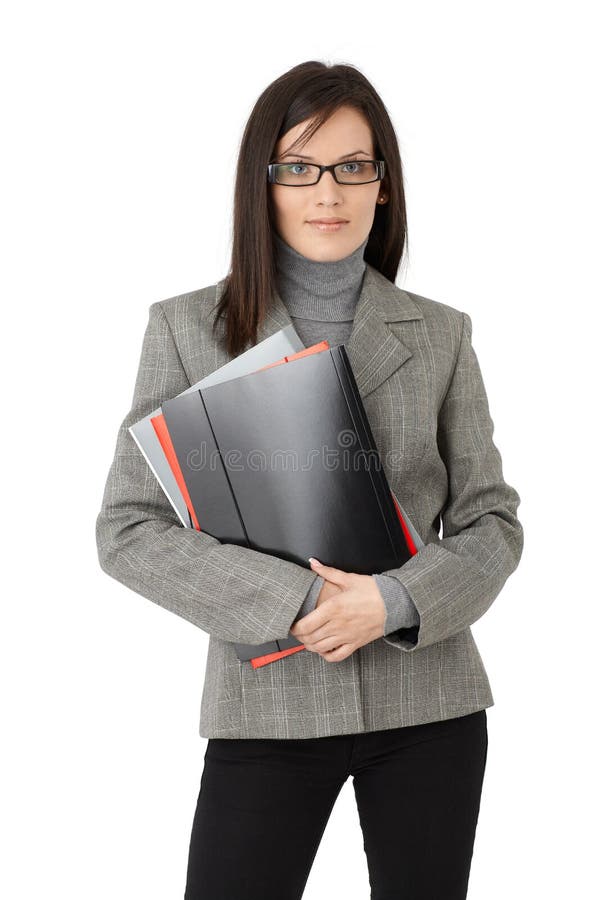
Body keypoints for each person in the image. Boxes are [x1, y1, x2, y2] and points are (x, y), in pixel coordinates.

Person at [95, 60, 524, 900]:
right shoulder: (186, 329)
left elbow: (492, 522)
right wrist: (297, 602)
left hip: (430, 704)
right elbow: (128, 528)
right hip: (266, 704)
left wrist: (393, 602)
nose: (326, 192)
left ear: (382, 185)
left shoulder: (440, 333)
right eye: (298, 167)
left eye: (351, 166)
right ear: (263, 183)